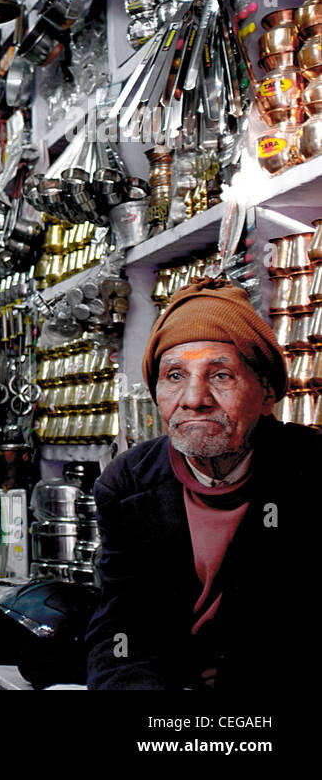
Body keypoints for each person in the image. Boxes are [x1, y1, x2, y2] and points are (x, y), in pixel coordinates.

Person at [84, 279, 316, 690]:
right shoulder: (127, 485)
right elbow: (121, 627)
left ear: (266, 394)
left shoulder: (309, 471)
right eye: (175, 375)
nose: (194, 398)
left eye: (221, 375)